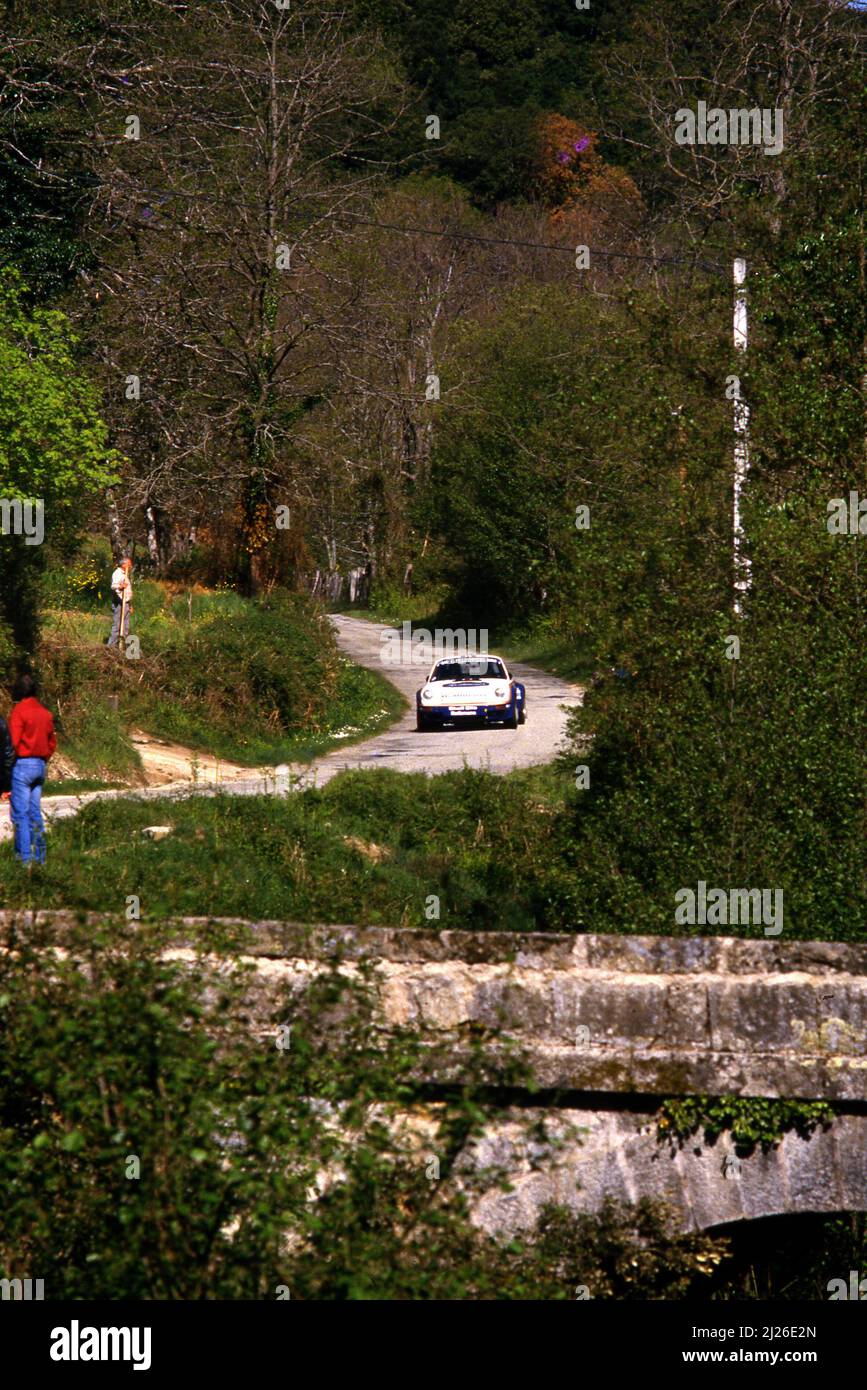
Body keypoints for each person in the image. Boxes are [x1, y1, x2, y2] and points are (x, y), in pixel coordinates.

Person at [8, 672, 56, 867]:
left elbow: (12, 743)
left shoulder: (19, 711)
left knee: (20, 815)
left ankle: (25, 861)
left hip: (22, 765)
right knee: (35, 813)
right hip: (40, 765)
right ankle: (41, 859)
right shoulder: (45, 713)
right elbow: (52, 742)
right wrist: (43, 758)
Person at [107, 556, 133, 647]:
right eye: (129, 564)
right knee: (117, 625)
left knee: (125, 626)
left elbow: (127, 592)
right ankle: (110, 647)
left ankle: (122, 646)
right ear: (123, 564)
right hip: (119, 603)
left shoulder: (124, 574)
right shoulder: (117, 573)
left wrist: (129, 604)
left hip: (126, 603)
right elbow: (113, 586)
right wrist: (120, 586)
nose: (130, 566)